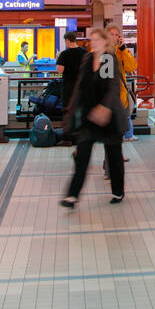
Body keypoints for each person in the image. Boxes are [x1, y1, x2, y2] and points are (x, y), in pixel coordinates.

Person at [60, 27, 127, 208]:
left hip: (109, 117)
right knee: (82, 155)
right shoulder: (88, 59)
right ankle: (72, 195)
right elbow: (80, 87)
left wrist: (104, 108)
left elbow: (112, 88)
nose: (94, 43)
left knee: (113, 156)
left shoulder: (107, 59)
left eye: (98, 40)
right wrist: (72, 109)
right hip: (90, 117)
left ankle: (118, 191)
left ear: (105, 42)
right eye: (92, 40)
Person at [108, 25, 138, 142]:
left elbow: (131, 67)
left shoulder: (121, 51)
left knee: (124, 117)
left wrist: (123, 49)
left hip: (120, 92)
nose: (114, 37)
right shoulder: (102, 51)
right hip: (108, 94)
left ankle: (126, 137)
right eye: (112, 34)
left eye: (117, 35)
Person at [55, 31, 86, 109]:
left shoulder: (64, 54)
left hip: (68, 87)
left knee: (68, 110)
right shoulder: (85, 52)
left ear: (67, 40)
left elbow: (59, 71)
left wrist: (58, 59)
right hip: (82, 86)